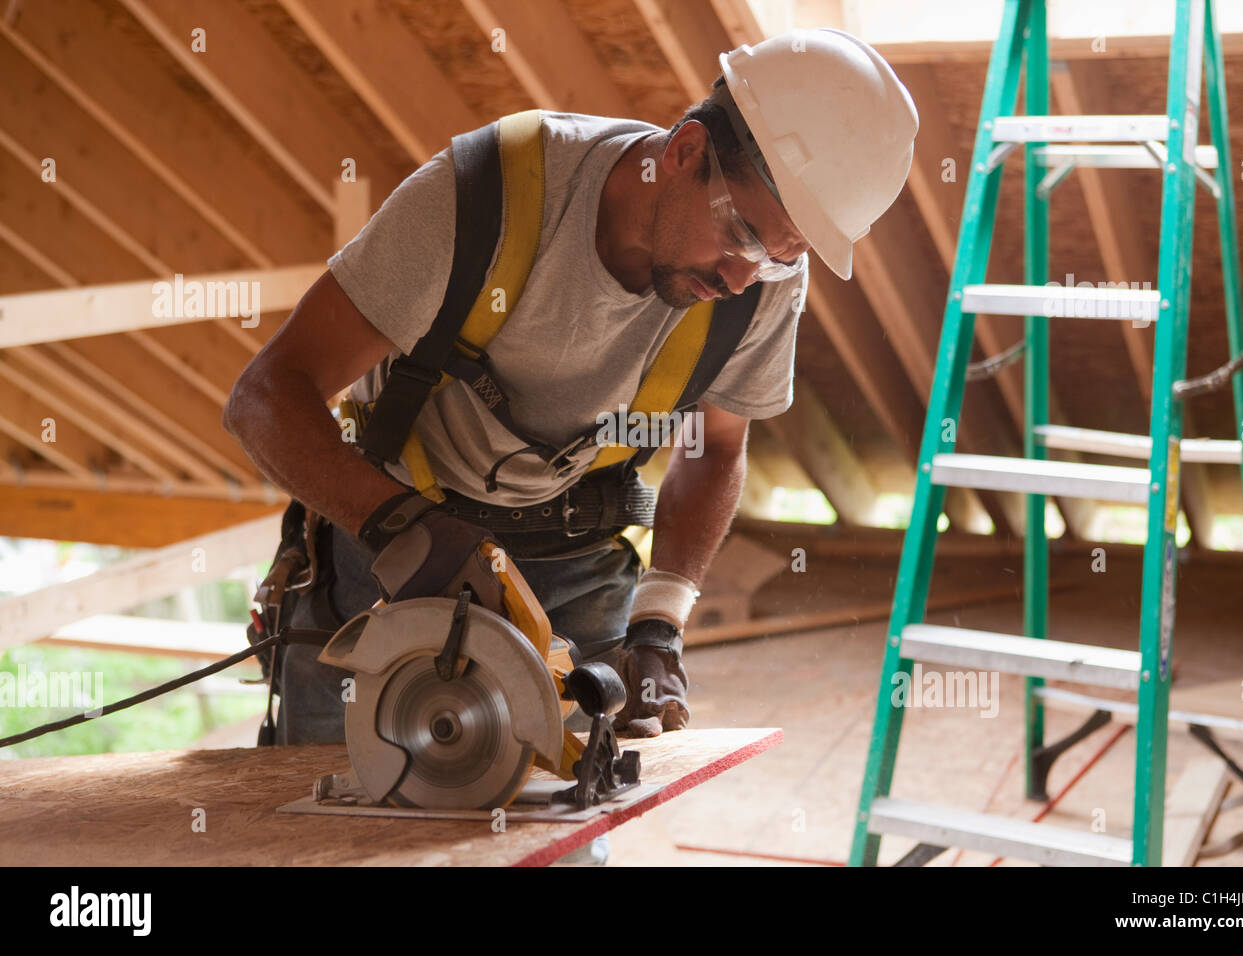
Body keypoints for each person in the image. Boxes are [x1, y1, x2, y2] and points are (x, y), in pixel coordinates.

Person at [224, 28, 918, 748]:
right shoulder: (482, 198)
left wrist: (660, 621)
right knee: (333, 822)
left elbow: (713, 450)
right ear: (683, 153)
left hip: (577, 568)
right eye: (741, 234)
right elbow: (266, 395)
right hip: (389, 564)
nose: (743, 279)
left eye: (780, 257)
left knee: (561, 838)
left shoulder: (762, 275)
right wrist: (405, 532)